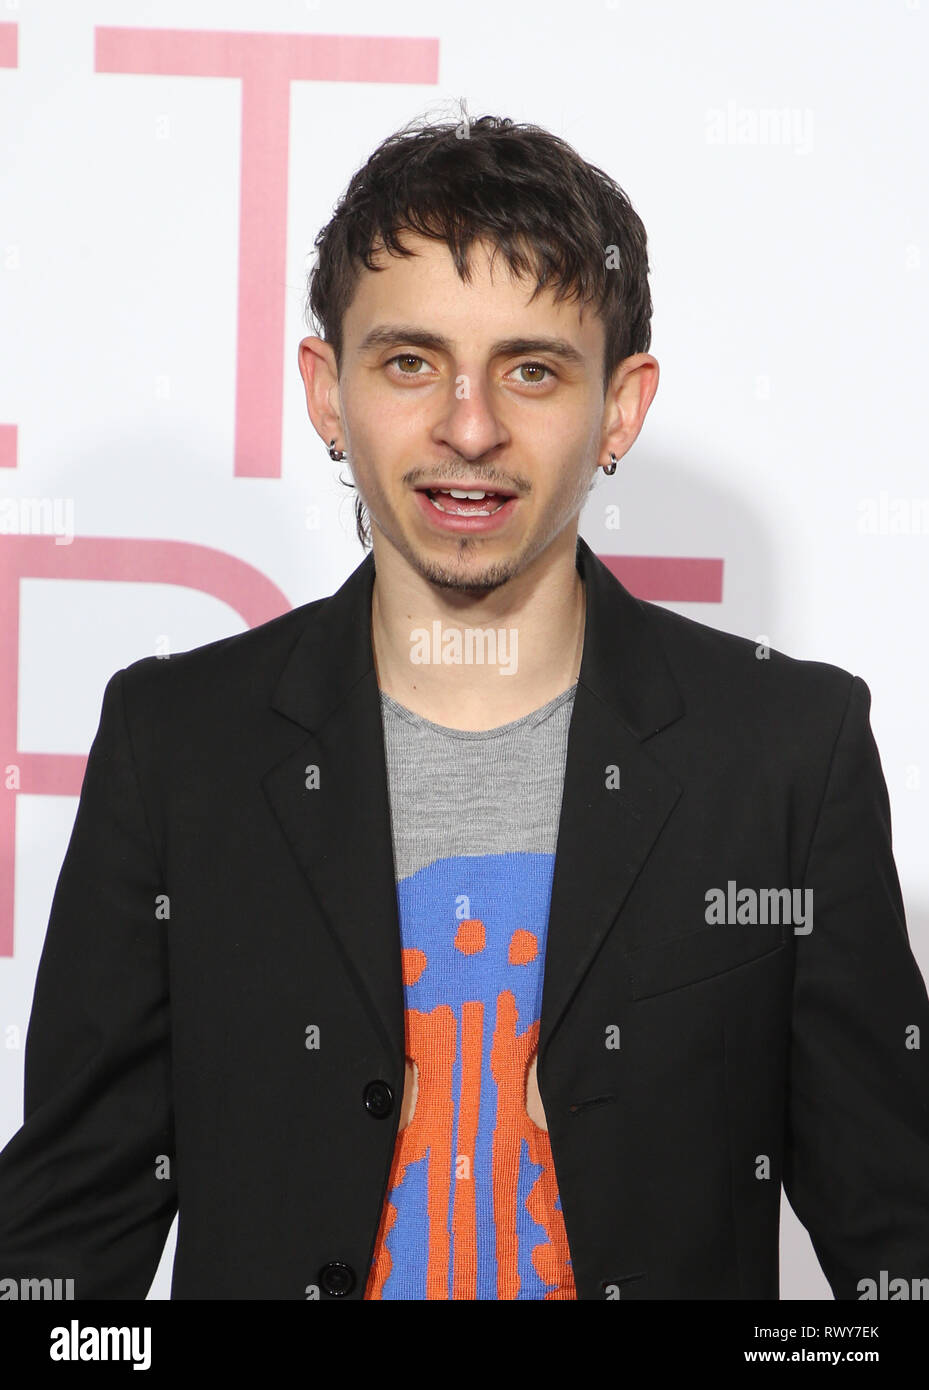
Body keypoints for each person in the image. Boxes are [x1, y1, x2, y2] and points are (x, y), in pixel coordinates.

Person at [1, 113, 927, 1301]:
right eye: (408, 362)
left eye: (530, 369)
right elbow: (63, 1261)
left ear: (621, 408)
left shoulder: (786, 754)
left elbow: (895, 1246)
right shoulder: (177, 746)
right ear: (326, 392)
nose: (469, 426)